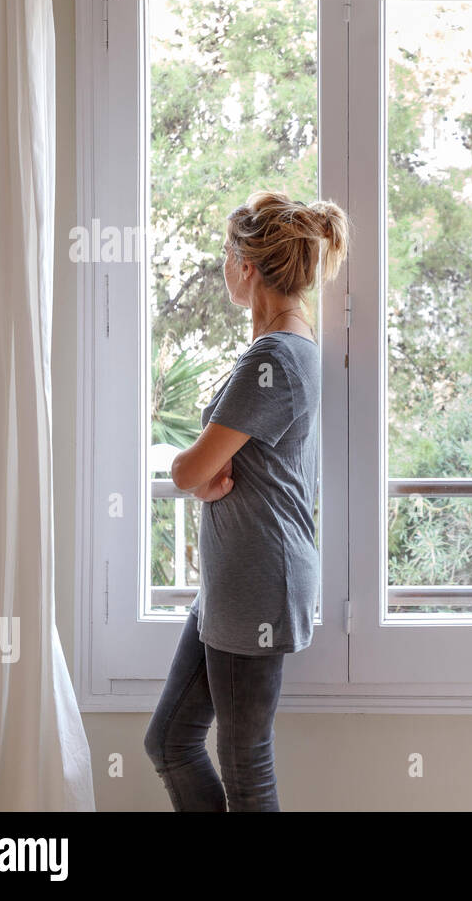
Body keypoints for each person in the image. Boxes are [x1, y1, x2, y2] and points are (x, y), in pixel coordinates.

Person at [143, 191, 348, 811]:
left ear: (246, 266)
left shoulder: (274, 358)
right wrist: (206, 475)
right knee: (171, 740)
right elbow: (219, 467)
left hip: (255, 582)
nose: (223, 266)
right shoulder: (290, 347)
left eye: (225, 255)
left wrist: (200, 475)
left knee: (245, 765)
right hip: (234, 585)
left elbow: (187, 469)